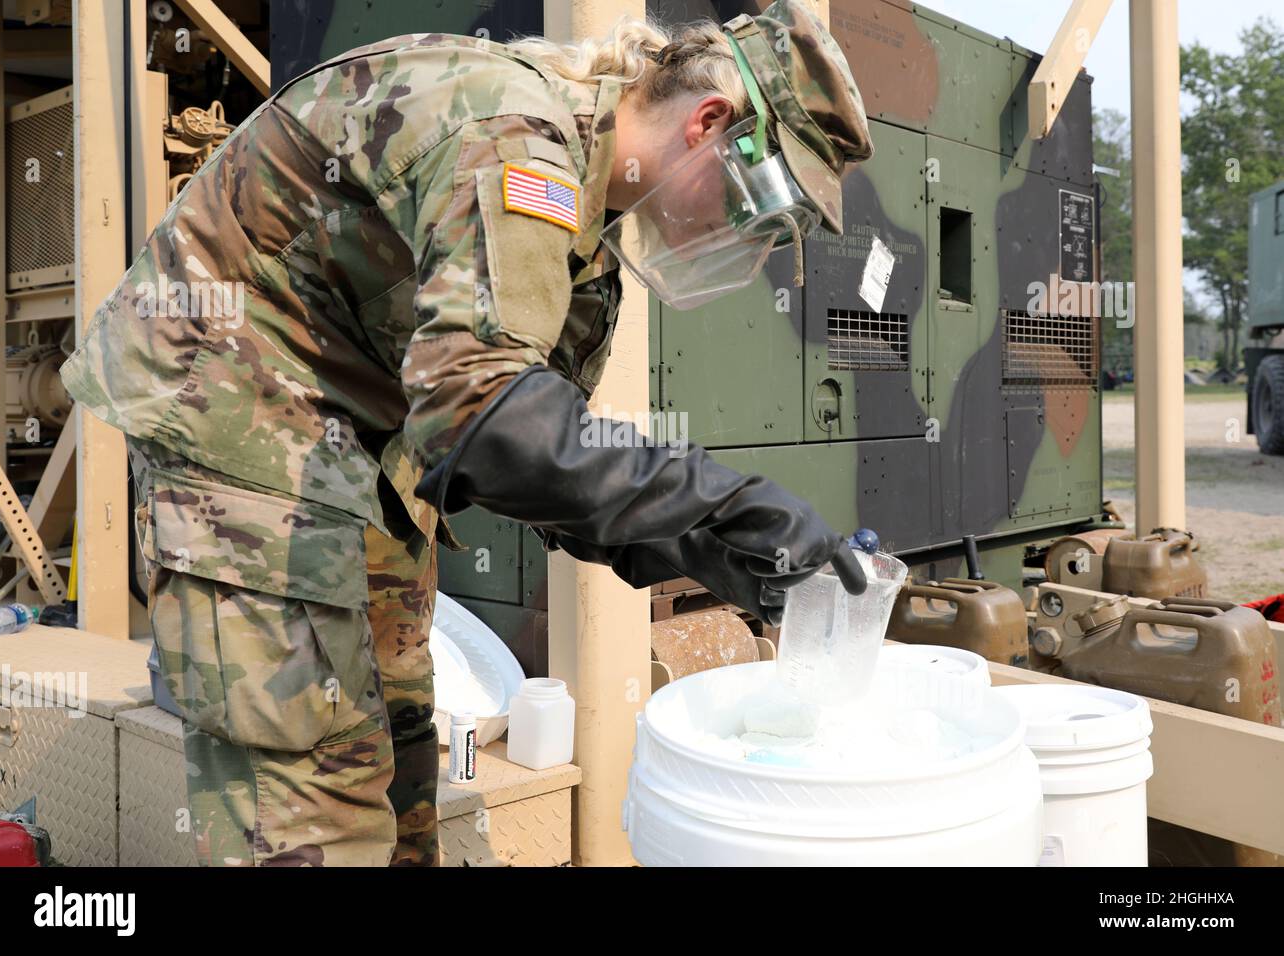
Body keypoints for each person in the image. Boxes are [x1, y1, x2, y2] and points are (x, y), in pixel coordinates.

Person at [60, 0, 874, 866]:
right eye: (756, 204)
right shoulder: (516, 139)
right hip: (237, 420)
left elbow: (539, 457)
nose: (743, 236)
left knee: (402, 756)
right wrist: (725, 506)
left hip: (358, 444)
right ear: (706, 123)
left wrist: (718, 551)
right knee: (316, 802)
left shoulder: (587, 233)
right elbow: (487, 420)